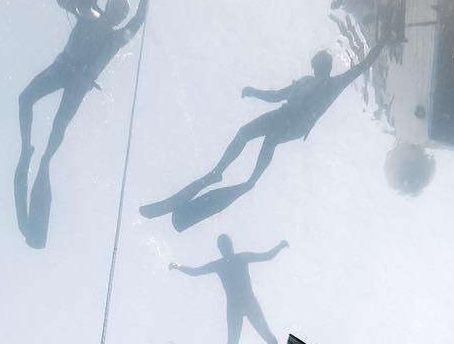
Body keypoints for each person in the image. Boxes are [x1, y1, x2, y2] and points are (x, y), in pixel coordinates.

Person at [139, 40, 389, 230]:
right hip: (285, 116)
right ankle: (219, 172)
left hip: (296, 122)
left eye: (316, 65)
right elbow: (277, 96)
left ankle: (248, 181)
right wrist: (253, 92)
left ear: (323, 66)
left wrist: (382, 43)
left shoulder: (334, 83)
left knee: (269, 141)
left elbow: (363, 65)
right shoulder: (304, 81)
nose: (314, 68)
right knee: (245, 133)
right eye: (314, 66)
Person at [15, 0, 150, 248]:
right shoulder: (89, 11)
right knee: (25, 99)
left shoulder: (117, 37)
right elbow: (62, 0)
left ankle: (45, 160)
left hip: (79, 81)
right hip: (63, 67)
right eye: (117, 10)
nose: (119, 15)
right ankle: (27, 147)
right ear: (109, 7)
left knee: (59, 125)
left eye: (122, 14)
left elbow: (140, 18)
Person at [169, 235, 288, 344]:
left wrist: (280, 246)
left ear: (231, 245)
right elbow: (196, 272)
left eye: (227, 245)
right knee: (233, 342)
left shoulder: (240, 258)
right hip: (236, 307)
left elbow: (267, 256)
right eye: (223, 247)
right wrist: (179, 267)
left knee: (267, 336)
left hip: (248, 303)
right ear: (221, 249)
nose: (226, 249)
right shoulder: (221, 264)